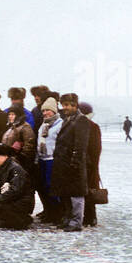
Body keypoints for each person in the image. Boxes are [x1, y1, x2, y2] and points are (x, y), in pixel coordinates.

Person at [51, 93, 91, 231]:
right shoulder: (68, 119)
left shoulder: (81, 120)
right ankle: (68, 218)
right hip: (63, 164)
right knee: (66, 194)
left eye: (67, 105)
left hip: (73, 165)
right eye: (63, 105)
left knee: (75, 195)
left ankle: (76, 221)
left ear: (74, 105)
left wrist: (75, 163)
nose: (64, 108)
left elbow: (80, 145)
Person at [0, 142, 35, 229]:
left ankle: (23, 220)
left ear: (5, 156)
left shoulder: (15, 168)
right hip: (11, 199)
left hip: (21, 201)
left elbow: (15, 190)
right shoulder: (3, 167)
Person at [34, 96, 62, 223]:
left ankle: (58, 214)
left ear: (54, 111)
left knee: (53, 188)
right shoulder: (43, 125)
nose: (45, 113)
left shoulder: (59, 125)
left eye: (48, 110)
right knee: (45, 187)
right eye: (43, 111)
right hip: (42, 160)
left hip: (53, 160)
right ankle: (50, 212)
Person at [80, 101, 103, 227]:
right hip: (87, 164)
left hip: (89, 165)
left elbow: (95, 148)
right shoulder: (88, 125)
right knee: (85, 191)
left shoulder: (92, 126)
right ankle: (88, 216)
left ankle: (90, 217)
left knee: (89, 191)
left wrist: (91, 163)